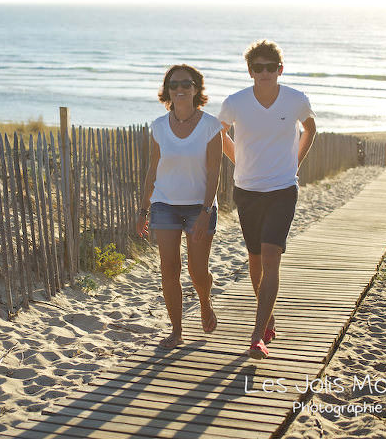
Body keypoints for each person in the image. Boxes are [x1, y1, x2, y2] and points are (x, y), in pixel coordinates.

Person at [219, 39, 317, 359]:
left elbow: (311, 128)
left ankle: (257, 336)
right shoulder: (235, 102)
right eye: (257, 68)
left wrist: (295, 163)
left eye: (269, 68)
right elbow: (218, 133)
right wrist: (239, 162)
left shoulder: (295, 100)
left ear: (280, 69)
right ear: (250, 71)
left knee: (272, 255)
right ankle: (269, 317)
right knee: (256, 261)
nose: (264, 73)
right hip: (246, 191)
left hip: (282, 190)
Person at [136, 64, 224, 349]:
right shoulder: (159, 127)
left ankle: (205, 301)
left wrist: (206, 211)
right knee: (168, 269)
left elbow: (214, 172)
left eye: (186, 84)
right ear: (167, 91)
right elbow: (153, 168)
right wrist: (143, 209)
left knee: (198, 271)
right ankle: (176, 330)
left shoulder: (211, 125)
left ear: (196, 89)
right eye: (174, 85)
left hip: (199, 207)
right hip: (165, 204)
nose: (180, 89)